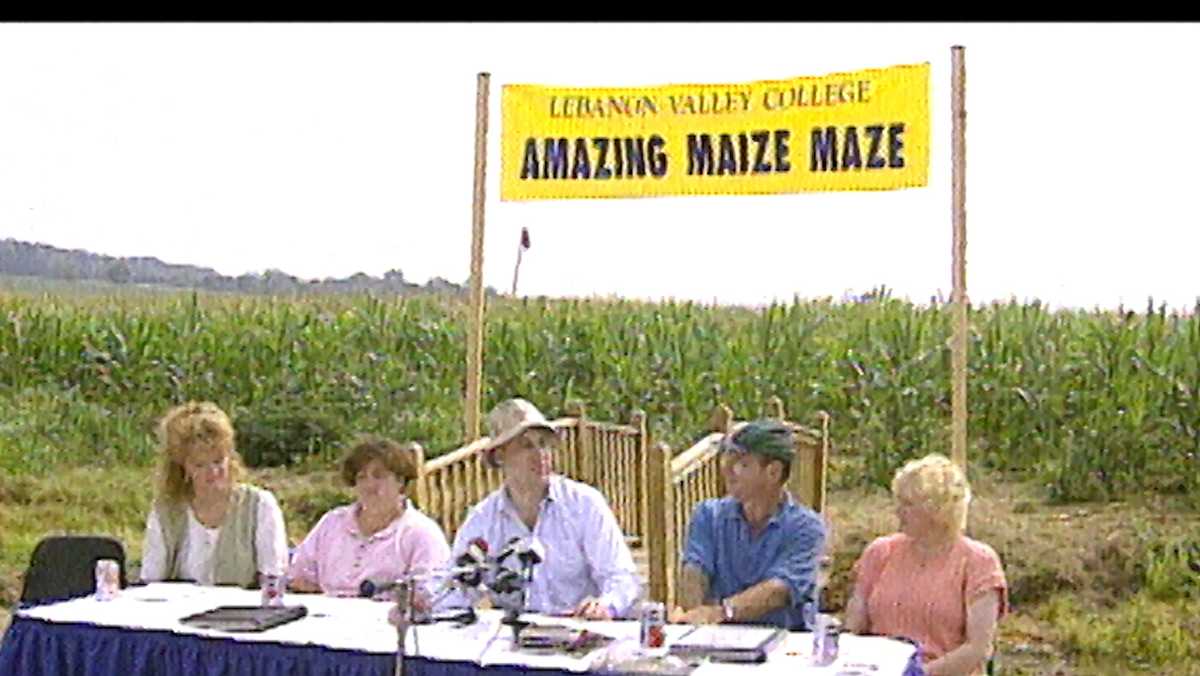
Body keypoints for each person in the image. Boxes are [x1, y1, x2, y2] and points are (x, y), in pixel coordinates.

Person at [442, 398, 641, 619]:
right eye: (527, 446)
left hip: (582, 639)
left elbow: (622, 578)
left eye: (544, 444)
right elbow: (454, 591)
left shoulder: (584, 504)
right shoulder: (482, 520)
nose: (540, 454)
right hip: (510, 643)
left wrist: (605, 605)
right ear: (500, 456)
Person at [844, 454, 1007, 676]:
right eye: (898, 501)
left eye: (908, 504)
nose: (898, 511)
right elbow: (854, 625)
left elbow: (977, 649)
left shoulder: (978, 562)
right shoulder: (880, 552)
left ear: (937, 511)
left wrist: (920, 673)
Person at [671, 420, 826, 629]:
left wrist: (721, 612)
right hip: (718, 638)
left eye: (742, 465)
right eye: (728, 462)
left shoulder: (806, 528)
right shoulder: (708, 515)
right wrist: (693, 615)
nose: (729, 472)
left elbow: (778, 590)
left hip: (784, 644)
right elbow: (694, 569)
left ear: (773, 472)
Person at [140, 401, 287, 587]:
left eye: (218, 462)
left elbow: (273, 578)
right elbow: (151, 580)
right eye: (200, 465)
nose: (213, 472)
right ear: (182, 468)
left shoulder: (260, 505)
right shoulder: (166, 511)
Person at [288, 435, 451, 598]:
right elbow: (299, 577)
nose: (369, 485)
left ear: (400, 481)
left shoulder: (421, 533)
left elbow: (431, 594)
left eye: (379, 476)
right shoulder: (332, 523)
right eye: (361, 477)